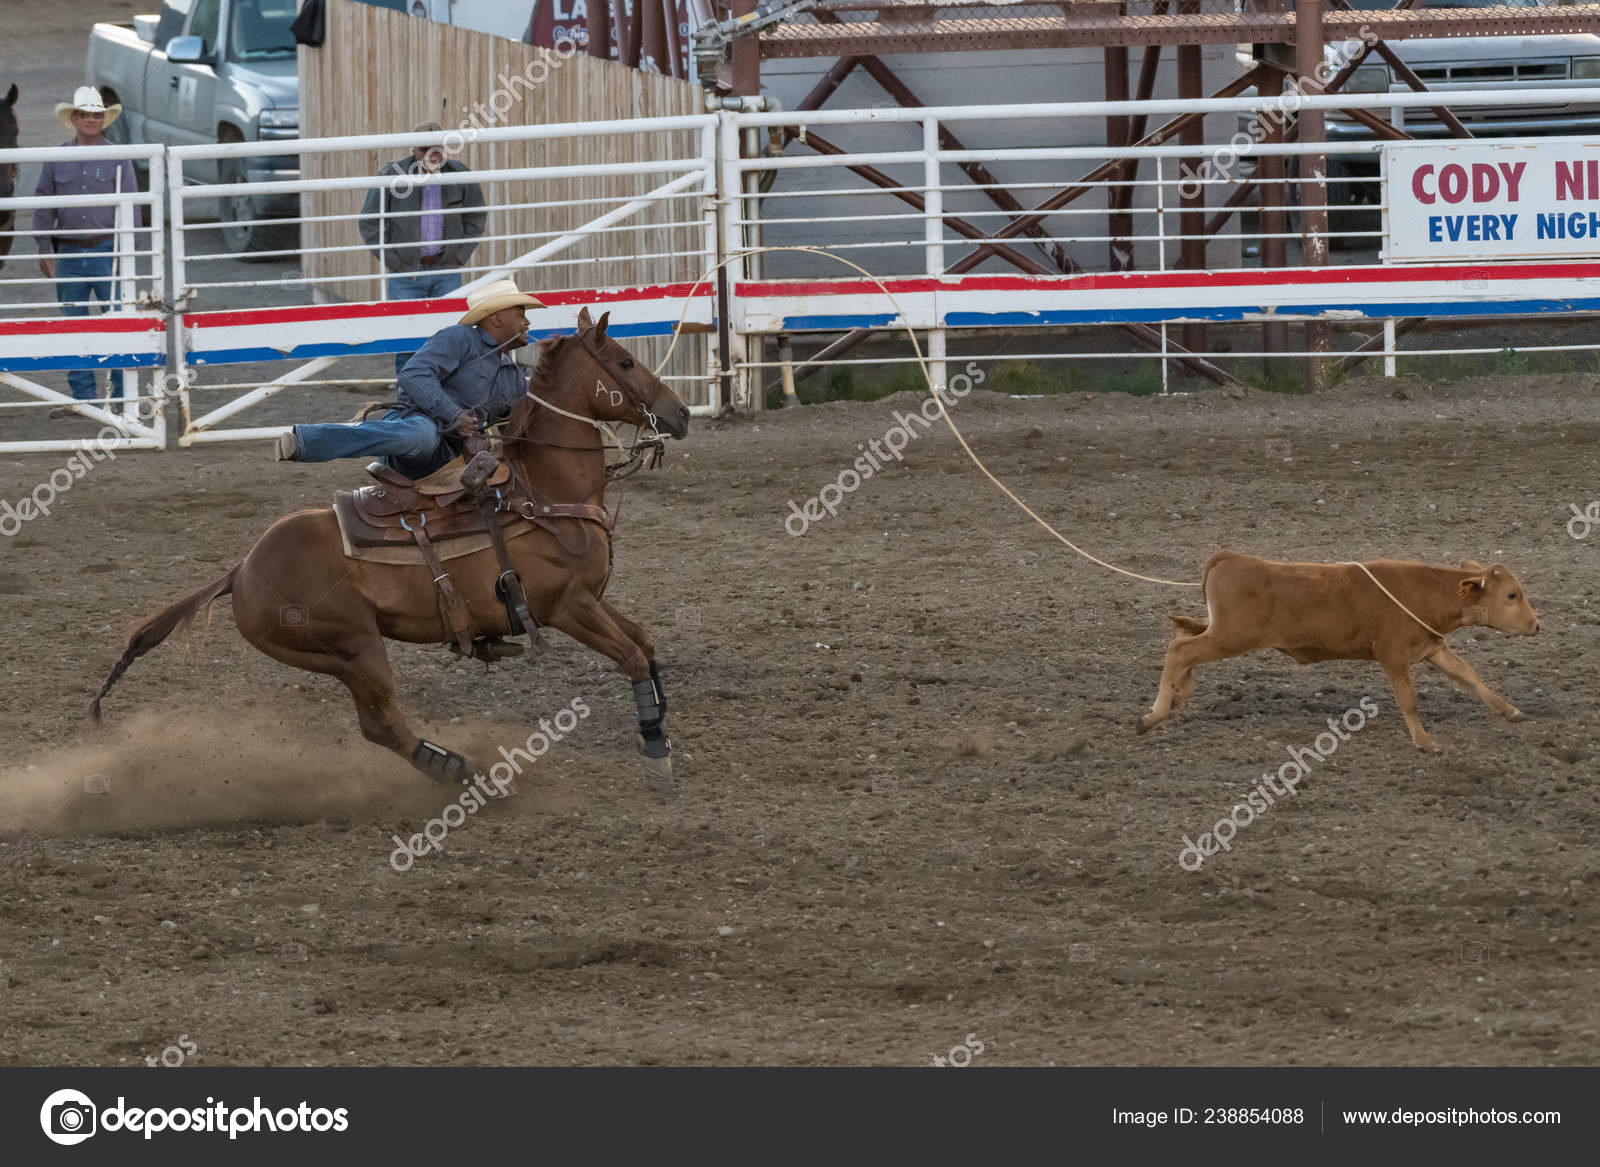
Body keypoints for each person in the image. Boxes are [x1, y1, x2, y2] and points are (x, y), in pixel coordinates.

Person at [274, 279, 543, 479]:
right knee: (421, 434)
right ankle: (308, 441)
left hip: (459, 455)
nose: (527, 323)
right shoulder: (460, 338)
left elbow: (516, 426)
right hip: (420, 429)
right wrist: (454, 416)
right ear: (496, 319)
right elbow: (413, 375)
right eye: (520, 315)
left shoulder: (515, 378)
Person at [33, 86, 138, 409]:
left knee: (116, 322)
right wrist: (44, 246)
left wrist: (131, 250)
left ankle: (122, 397)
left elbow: (132, 206)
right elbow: (43, 203)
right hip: (68, 251)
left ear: (103, 119)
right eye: (86, 114)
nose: (92, 120)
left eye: (97, 115)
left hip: (108, 249)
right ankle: (84, 400)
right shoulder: (56, 159)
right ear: (74, 118)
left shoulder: (119, 157)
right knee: (73, 324)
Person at [359, 121, 487, 377]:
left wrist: (458, 258)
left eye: (436, 148)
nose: (430, 155)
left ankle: (446, 395)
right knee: (407, 341)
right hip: (406, 273)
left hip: (446, 270)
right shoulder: (392, 175)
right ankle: (408, 398)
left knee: (450, 337)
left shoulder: (460, 174)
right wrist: (395, 263)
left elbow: (475, 218)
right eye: (423, 149)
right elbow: (369, 221)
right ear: (413, 149)